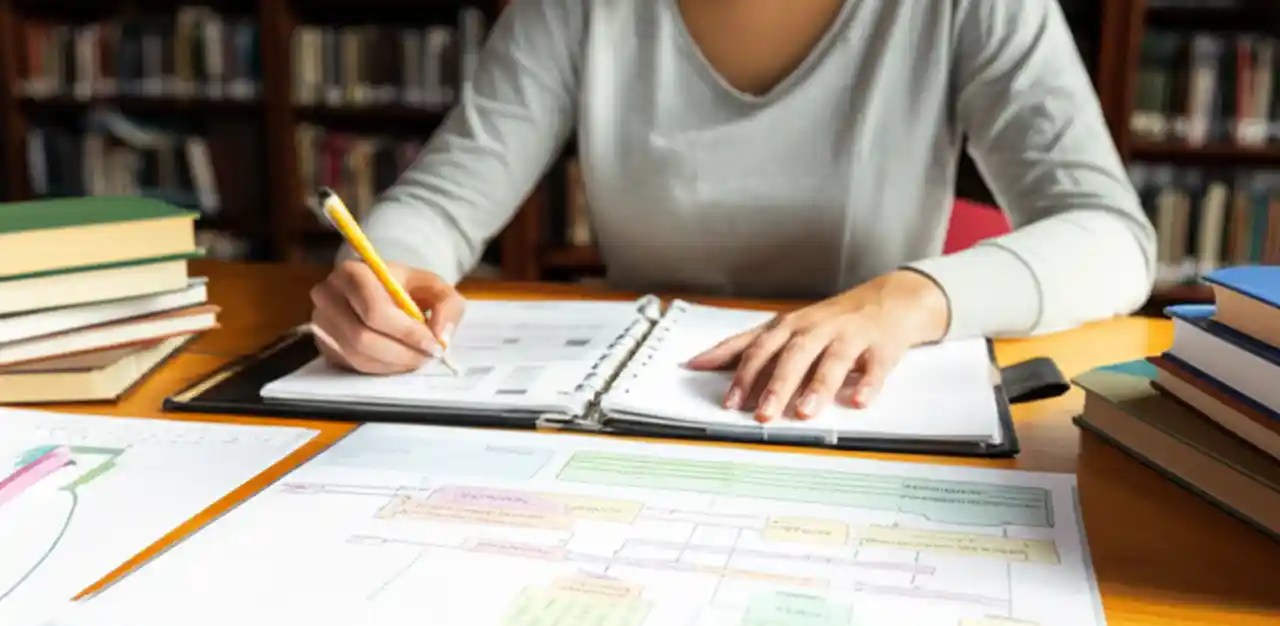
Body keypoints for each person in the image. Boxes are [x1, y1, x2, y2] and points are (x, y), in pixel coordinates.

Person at [308, 0, 1156, 423]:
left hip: (862, 411)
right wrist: (373, 271)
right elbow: (442, 199)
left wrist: (905, 299)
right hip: (641, 412)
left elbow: (1111, 235)